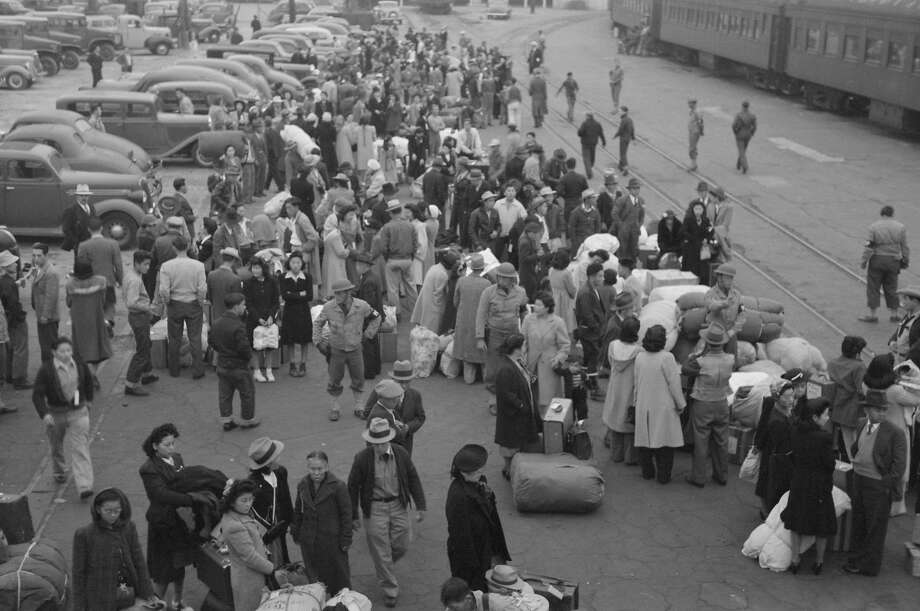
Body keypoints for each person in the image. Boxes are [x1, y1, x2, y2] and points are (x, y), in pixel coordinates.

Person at [347, 418, 427, 608]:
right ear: (371, 442)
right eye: (376, 443)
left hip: (399, 504)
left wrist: (421, 505)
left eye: (383, 442)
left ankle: (384, 567)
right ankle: (390, 588)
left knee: (403, 543)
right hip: (375, 508)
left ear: (389, 440)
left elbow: (413, 478)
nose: (379, 446)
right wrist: (353, 515)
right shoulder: (362, 458)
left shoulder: (401, 454)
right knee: (380, 550)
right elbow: (352, 487)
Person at [843, 392, 907, 576]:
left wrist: (886, 483)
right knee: (859, 523)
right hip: (859, 479)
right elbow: (857, 446)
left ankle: (870, 566)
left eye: (884, 409)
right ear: (867, 409)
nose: (882, 413)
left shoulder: (895, 432)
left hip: (878, 484)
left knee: (875, 527)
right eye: (878, 409)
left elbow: (899, 464)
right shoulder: (862, 423)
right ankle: (855, 559)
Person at [139, 423, 197, 611]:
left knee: (179, 566)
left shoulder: (177, 459)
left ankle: (178, 603)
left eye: (173, 443)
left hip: (179, 521)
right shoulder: (149, 468)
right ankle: (156, 606)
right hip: (163, 523)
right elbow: (160, 494)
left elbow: (184, 481)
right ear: (155, 446)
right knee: (163, 572)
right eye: (167, 444)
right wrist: (190, 499)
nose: (172, 448)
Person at [72, 488, 158, 611]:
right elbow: (78, 574)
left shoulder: (129, 528)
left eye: (117, 511)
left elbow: (139, 561)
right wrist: (79, 607)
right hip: (98, 598)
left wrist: (148, 593)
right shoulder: (84, 535)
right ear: (98, 510)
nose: (113, 515)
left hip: (127, 591)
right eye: (108, 511)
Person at [32, 337, 95, 499]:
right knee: (56, 444)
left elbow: (87, 381)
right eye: (62, 351)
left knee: (80, 447)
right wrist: (44, 414)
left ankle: (84, 485)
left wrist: (88, 400)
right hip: (56, 413)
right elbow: (37, 395)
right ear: (54, 352)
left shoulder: (79, 364)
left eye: (68, 350)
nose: (66, 354)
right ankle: (59, 470)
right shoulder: (46, 370)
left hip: (78, 411)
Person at [781, 398, 836, 575]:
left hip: (799, 480)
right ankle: (818, 561)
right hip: (819, 484)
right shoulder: (825, 438)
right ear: (815, 417)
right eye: (826, 414)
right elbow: (829, 464)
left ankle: (795, 559)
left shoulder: (796, 431)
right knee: (821, 524)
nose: (828, 417)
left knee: (796, 520)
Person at [314, 278, 381, 421]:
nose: (337, 296)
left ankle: (359, 406)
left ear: (348, 293)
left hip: (355, 349)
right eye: (335, 293)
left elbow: (377, 317)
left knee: (359, 378)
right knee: (334, 379)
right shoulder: (328, 307)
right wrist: (318, 342)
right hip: (336, 350)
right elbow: (317, 323)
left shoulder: (361, 306)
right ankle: (335, 407)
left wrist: (367, 335)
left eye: (340, 293)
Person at [446, 444, 511, 592]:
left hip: (485, 546)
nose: (481, 471)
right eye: (477, 469)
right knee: (474, 591)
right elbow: (461, 538)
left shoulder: (478, 481)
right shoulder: (458, 497)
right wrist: (476, 567)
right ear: (464, 472)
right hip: (470, 557)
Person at [862, 353, 916, 516]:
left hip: (873, 427)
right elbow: (916, 400)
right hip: (896, 430)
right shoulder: (895, 390)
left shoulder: (865, 384)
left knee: (878, 464)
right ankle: (895, 506)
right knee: (898, 466)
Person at [292, 450, 353, 594]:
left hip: (333, 542)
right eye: (312, 469)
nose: (316, 472)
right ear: (308, 468)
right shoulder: (303, 485)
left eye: (319, 469)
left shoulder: (338, 486)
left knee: (340, 579)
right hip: (309, 541)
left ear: (326, 467)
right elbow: (298, 509)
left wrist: (346, 539)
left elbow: (346, 515)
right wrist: (296, 532)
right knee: (316, 581)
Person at [633, 325, 687, 484]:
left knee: (645, 441)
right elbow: (674, 384)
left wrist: (635, 402)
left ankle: (647, 472)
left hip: (644, 403)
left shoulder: (640, 357)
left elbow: (636, 382)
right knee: (665, 444)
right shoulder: (667, 358)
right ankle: (663, 476)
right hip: (663, 406)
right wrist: (681, 404)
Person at [213, 479, 278, 611]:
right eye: (244, 500)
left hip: (250, 577)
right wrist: (272, 569)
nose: (249, 504)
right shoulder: (234, 525)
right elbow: (250, 557)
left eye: (251, 499)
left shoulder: (236, 514)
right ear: (232, 501)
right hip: (248, 581)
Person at [683, 326, 735, 487]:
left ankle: (699, 477)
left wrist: (700, 353)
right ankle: (721, 475)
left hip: (703, 403)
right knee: (721, 440)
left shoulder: (700, 362)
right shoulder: (730, 359)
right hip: (721, 402)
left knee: (701, 440)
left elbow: (685, 368)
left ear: (707, 342)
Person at [157, 236, 207, 380]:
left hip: (175, 303)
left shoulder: (166, 266)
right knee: (195, 337)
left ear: (174, 248)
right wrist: (200, 301)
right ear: (188, 246)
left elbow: (164, 290)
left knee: (174, 338)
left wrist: (167, 302)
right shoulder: (198, 265)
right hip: (193, 303)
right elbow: (202, 288)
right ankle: (198, 370)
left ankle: (174, 369)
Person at [493, 333, 540, 480]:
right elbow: (506, 394)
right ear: (517, 349)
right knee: (511, 446)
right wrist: (521, 405)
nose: (526, 347)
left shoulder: (517, 362)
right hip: (512, 415)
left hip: (518, 413)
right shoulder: (506, 369)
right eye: (524, 345)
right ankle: (508, 470)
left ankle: (511, 469)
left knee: (514, 443)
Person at [209, 293, 259, 430]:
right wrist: (249, 358)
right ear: (236, 307)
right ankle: (247, 420)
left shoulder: (217, 323)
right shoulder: (238, 325)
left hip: (222, 364)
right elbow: (244, 347)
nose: (244, 307)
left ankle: (227, 420)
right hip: (239, 366)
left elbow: (211, 341)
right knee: (247, 393)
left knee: (225, 394)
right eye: (243, 305)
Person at [476, 263, 528, 388]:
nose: (502, 280)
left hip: (513, 334)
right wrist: (480, 338)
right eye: (500, 277)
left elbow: (523, 313)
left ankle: (510, 394)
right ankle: (493, 399)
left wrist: (526, 336)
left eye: (506, 278)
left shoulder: (521, 292)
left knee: (513, 365)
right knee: (493, 368)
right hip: (495, 334)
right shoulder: (488, 292)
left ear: (512, 279)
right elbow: (481, 315)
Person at [247, 437, 294, 568]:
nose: (279, 458)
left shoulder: (281, 472)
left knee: (284, 558)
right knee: (273, 564)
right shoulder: (253, 485)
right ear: (268, 463)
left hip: (281, 525)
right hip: (267, 535)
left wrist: (291, 520)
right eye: (277, 456)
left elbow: (286, 498)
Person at [66, 257, 111, 388]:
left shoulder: (70, 284)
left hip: (79, 321)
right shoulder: (101, 281)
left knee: (80, 351)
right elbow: (103, 301)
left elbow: (69, 302)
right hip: (96, 318)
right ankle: (92, 374)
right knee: (97, 350)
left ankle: (86, 376)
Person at [860, 205, 909, 323]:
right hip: (893, 260)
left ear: (882, 214)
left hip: (877, 259)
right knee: (892, 287)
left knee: (873, 287)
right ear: (892, 214)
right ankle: (894, 314)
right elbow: (904, 246)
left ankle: (872, 314)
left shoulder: (874, 227)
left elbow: (869, 246)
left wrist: (864, 261)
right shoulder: (900, 227)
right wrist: (905, 260)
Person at [362, 367, 427, 455]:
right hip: (383, 450)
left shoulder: (415, 395)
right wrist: (386, 424)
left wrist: (407, 427)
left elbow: (420, 417)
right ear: (393, 380)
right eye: (400, 382)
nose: (403, 385)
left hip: (405, 446)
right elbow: (367, 412)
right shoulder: (381, 391)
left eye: (407, 382)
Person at [754, 381, 796, 515]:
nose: (791, 400)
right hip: (775, 457)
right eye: (787, 397)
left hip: (776, 456)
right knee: (771, 486)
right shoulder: (777, 419)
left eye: (792, 396)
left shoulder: (785, 412)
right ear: (778, 397)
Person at [522, 291, 570, 408]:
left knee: (550, 399)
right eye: (535, 304)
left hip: (550, 365)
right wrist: (521, 357)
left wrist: (558, 359)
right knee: (531, 395)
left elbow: (565, 346)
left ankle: (550, 422)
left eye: (539, 305)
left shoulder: (558, 322)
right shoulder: (528, 319)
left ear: (548, 307)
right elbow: (522, 340)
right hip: (531, 364)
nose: (535, 307)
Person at [603, 317, 641, 464]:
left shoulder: (612, 346)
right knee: (628, 423)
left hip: (615, 388)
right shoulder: (638, 351)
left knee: (615, 423)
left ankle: (616, 454)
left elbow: (611, 362)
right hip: (630, 390)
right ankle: (630, 458)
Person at [372, 200, 419, 316]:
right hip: (408, 259)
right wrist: (411, 257)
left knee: (392, 289)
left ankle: (396, 313)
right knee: (411, 287)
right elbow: (415, 244)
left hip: (393, 260)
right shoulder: (410, 225)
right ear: (400, 211)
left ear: (390, 213)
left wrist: (388, 258)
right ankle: (415, 311)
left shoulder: (387, 227)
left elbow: (383, 247)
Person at [78, 216, 123, 332]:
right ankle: (107, 322)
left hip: (91, 282)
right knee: (109, 305)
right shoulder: (113, 244)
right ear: (102, 228)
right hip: (108, 281)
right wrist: (120, 280)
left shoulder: (83, 246)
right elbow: (118, 264)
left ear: (89, 229)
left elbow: (81, 267)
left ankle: (97, 326)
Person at [453, 254, 491, 385]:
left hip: (463, 321)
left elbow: (455, 301)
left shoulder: (461, 281)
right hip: (480, 324)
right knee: (483, 356)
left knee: (467, 356)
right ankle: (485, 376)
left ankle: (469, 376)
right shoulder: (487, 284)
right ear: (482, 269)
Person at [123, 250, 157, 397]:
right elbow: (132, 302)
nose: (148, 267)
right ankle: (131, 384)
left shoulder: (132, 275)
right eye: (145, 264)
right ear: (137, 263)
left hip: (138, 317)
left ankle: (147, 374)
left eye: (149, 264)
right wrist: (149, 308)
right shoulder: (135, 280)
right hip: (139, 317)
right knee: (142, 351)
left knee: (146, 344)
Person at [828, 336, 868, 459]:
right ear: (857, 352)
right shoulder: (859, 367)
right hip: (854, 410)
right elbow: (862, 389)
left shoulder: (833, 363)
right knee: (858, 445)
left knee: (846, 443)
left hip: (838, 408)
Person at [243, 258, 280, 383]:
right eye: (253, 267)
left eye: (257, 267)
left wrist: (271, 316)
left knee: (269, 345)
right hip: (254, 318)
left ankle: (269, 370)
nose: (255, 270)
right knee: (255, 345)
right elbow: (248, 303)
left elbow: (275, 302)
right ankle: (257, 371)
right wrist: (258, 318)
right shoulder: (248, 283)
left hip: (269, 318)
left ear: (263, 268)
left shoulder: (272, 282)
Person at [575, 262, 608, 400]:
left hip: (590, 331)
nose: (602, 278)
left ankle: (585, 381)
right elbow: (587, 314)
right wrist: (596, 328)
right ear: (592, 276)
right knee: (593, 359)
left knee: (588, 358)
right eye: (600, 276)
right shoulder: (586, 292)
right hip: (590, 332)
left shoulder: (592, 289)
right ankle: (594, 388)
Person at [0, 250, 30, 389]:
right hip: (15, 319)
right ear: (6, 266)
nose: (16, 263)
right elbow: (13, 304)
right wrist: (20, 317)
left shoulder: (3, 280)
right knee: (21, 348)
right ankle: (19, 378)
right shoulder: (9, 283)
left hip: (7, 318)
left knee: (11, 348)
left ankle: (10, 375)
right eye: (12, 262)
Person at [280, 252, 312, 378]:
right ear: (289, 263)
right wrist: (300, 294)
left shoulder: (307, 277)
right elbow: (284, 295)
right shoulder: (283, 277)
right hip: (289, 311)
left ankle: (303, 363)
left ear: (302, 264)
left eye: (298, 262)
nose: (296, 265)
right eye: (293, 262)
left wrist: (292, 294)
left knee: (304, 339)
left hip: (304, 311)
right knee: (290, 339)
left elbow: (310, 296)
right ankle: (292, 364)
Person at [30, 243, 60, 363]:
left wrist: (45, 316)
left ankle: (51, 375)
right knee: (44, 347)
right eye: (34, 256)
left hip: (48, 318)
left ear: (46, 255)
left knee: (49, 349)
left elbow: (51, 296)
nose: (36, 259)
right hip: (40, 314)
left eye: (39, 256)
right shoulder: (38, 268)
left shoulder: (51, 273)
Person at [411, 249, 454, 334]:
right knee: (430, 337)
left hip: (426, 303)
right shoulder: (443, 275)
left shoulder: (435, 267)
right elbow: (442, 295)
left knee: (423, 333)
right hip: (433, 309)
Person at [704, 264, 743, 355]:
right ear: (719, 278)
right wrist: (722, 304)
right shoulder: (710, 293)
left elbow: (742, 313)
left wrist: (734, 330)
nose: (731, 281)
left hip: (730, 333)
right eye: (728, 278)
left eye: (731, 278)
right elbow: (711, 306)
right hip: (714, 334)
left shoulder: (737, 295)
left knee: (732, 360)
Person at [680, 200, 715, 285]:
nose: (698, 211)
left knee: (703, 270)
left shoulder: (706, 220)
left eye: (700, 209)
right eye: (696, 209)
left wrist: (707, 239)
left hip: (702, 249)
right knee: (690, 269)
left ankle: (702, 284)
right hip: (691, 249)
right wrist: (693, 238)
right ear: (693, 210)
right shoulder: (688, 220)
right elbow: (683, 232)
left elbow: (711, 230)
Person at [610, 177, 645, 261]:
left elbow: (642, 215)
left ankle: (632, 267)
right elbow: (614, 213)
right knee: (622, 250)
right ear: (629, 189)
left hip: (635, 230)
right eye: (634, 188)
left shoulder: (641, 200)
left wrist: (639, 225)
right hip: (623, 231)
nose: (636, 190)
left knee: (633, 251)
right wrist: (621, 225)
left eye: (638, 188)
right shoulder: (622, 200)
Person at [889, 285, 920, 366]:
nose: (902, 302)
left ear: (915, 302)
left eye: (905, 299)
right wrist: (892, 341)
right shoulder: (909, 314)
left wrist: (907, 360)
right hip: (900, 359)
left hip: (912, 363)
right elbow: (900, 328)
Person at [568, 189, 602, 256]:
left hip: (592, 243)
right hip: (579, 243)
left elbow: (598, 227)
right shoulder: (576, 212)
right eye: (593, 198)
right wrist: (575, 242)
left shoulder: (596, 212)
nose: (595, 199)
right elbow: (571, 228)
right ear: (587, 199)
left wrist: (595, 239)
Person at [517, 222, 543, 301]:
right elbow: (524, 259)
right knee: (529, 293)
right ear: (530, 232)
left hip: (529, 270)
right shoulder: (525, 242)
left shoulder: (528, 238)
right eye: (536, 234)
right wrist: (537, 255)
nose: (537, 236)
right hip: (526, 272)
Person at [576, 113, 606, 180]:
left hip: (585, 143)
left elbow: (580, 132)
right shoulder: (597, 124)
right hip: (593, 143)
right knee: (592, 157)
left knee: (586, 158)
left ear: (587, 117)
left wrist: (579, 133)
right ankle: (590, 166)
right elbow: (601, 133)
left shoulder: (585, 123)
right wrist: (604, 142)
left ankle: (589, 173)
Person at [732, 100, 757, 174]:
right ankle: (739, 163)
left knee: (741, 151)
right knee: (743, 149)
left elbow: (733, 125)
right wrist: (752, 133)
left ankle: (744, 166)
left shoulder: (739, 115)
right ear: (748, 107)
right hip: (748, 135)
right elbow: (755, 127)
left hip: (740, 135)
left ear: (742, 106)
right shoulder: (752, 116)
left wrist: (735, 132)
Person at [613, 106, 635, 175]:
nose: (619, 112)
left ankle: (626, 168)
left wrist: (615, 135)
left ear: (624, 112)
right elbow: (632, 129)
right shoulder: (630, 119)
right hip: (628, 138)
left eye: (620, 111)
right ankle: (620, 166)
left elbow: (621, 130)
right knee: (623, 152)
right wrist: (633, 138)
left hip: (623, 139)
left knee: (623, 154)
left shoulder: (624, 120)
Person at [687, 98, 704, 171]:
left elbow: (700, 122)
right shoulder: (691, 111)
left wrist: (701, 131)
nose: (688, 105)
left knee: (692, 148)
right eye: (688, 103)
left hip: (695, 131)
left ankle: (693, 164)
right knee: (692, 147)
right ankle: (694, 163)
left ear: (694, 104)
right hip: (692, 131)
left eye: (690, 103)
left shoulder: (697, 112)